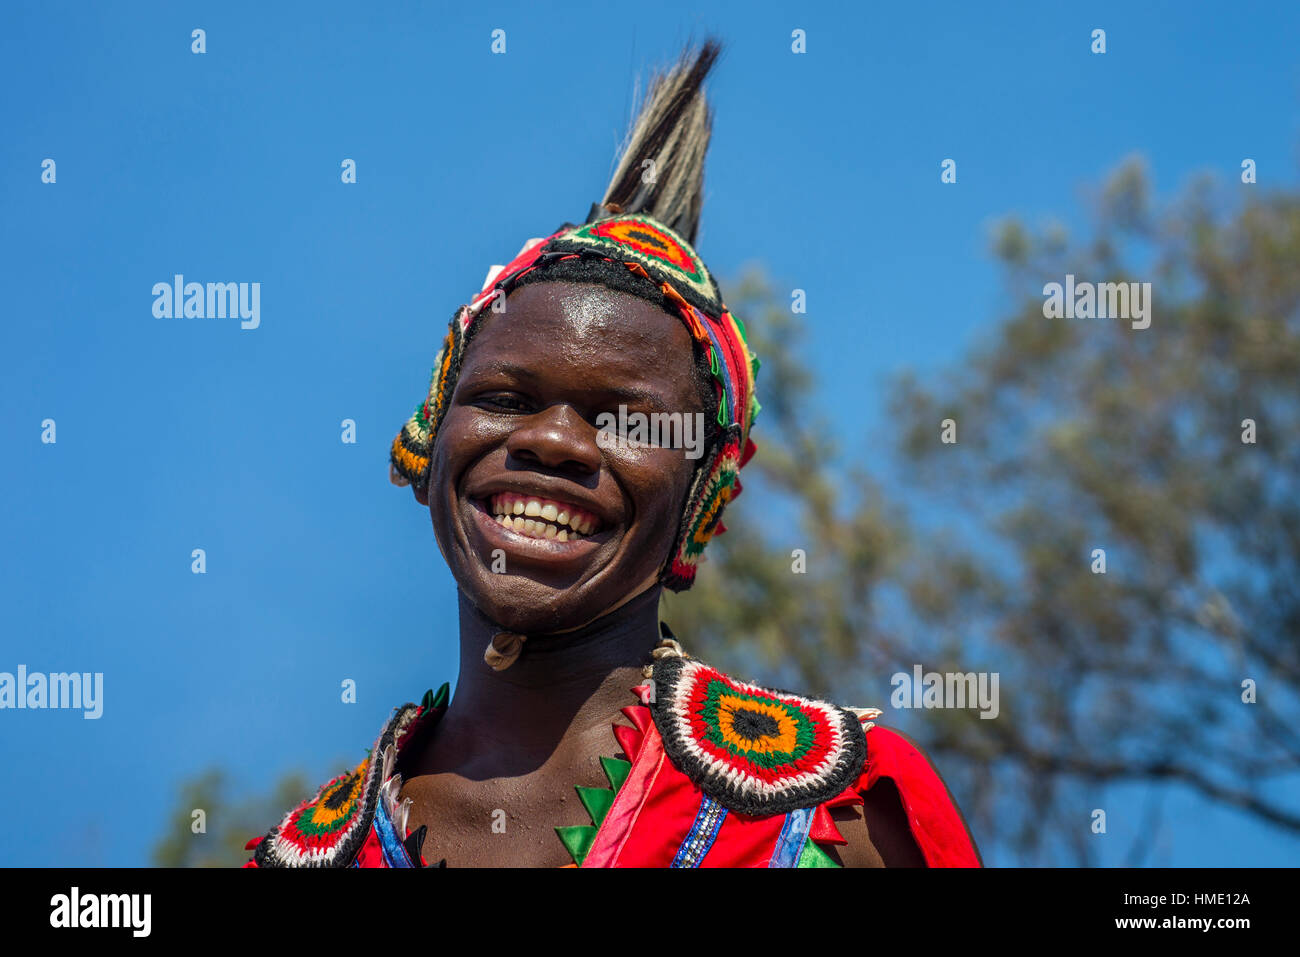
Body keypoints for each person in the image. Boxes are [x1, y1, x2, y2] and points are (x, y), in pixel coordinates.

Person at [244, 40, 981, 869]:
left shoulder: (842, 816)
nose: (553, 442)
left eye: (626, 422)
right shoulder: (299, 856)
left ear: (702, 499)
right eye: (505, 399)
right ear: (429, 434)